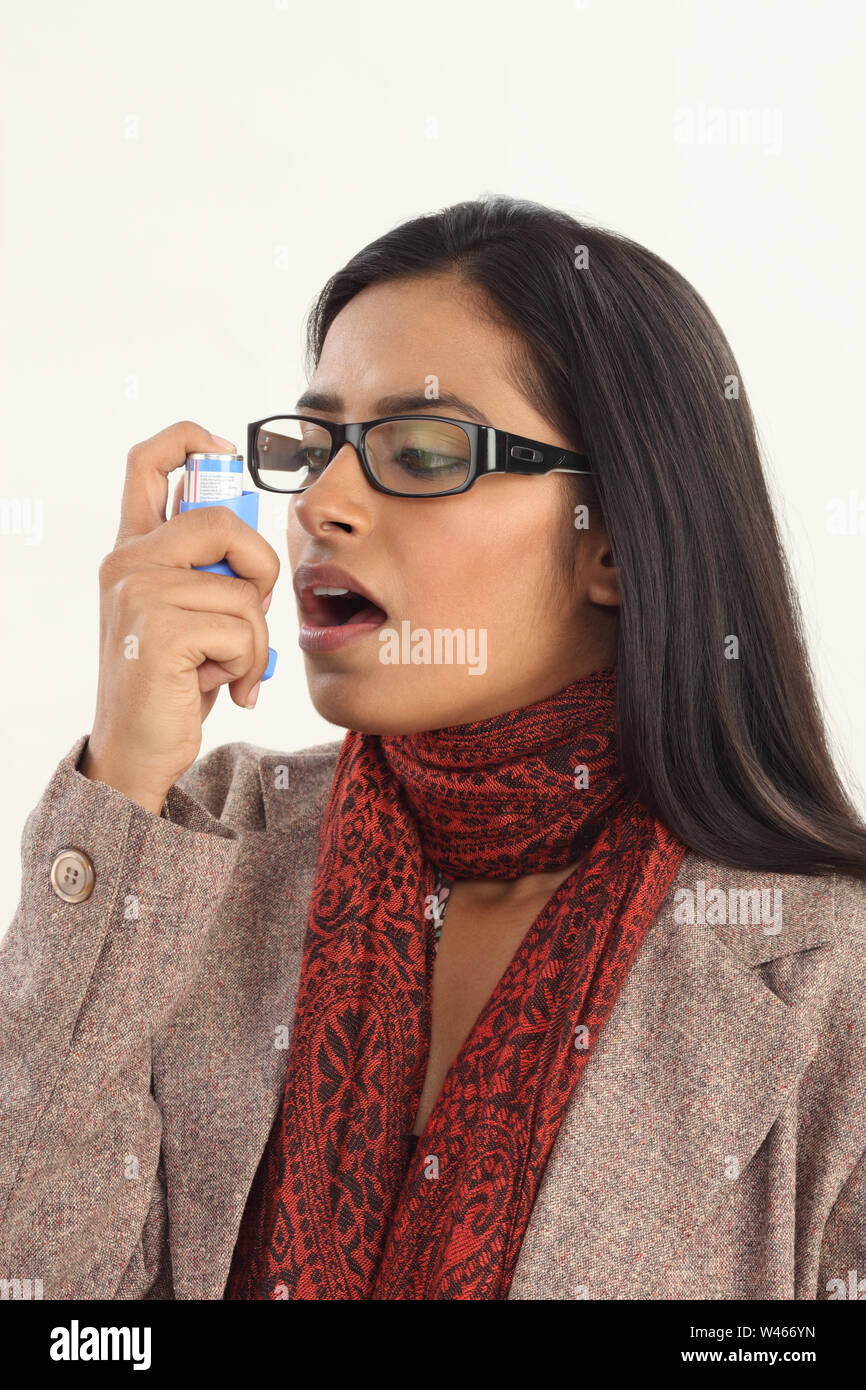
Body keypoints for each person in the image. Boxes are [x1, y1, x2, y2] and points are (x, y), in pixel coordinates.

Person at [2, 194, 865, 1302]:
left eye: (417, 449)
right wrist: (121, 780)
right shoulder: (192, 857)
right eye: (313, 447)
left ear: (613, 541)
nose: (322, 502)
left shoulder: (825, 974)